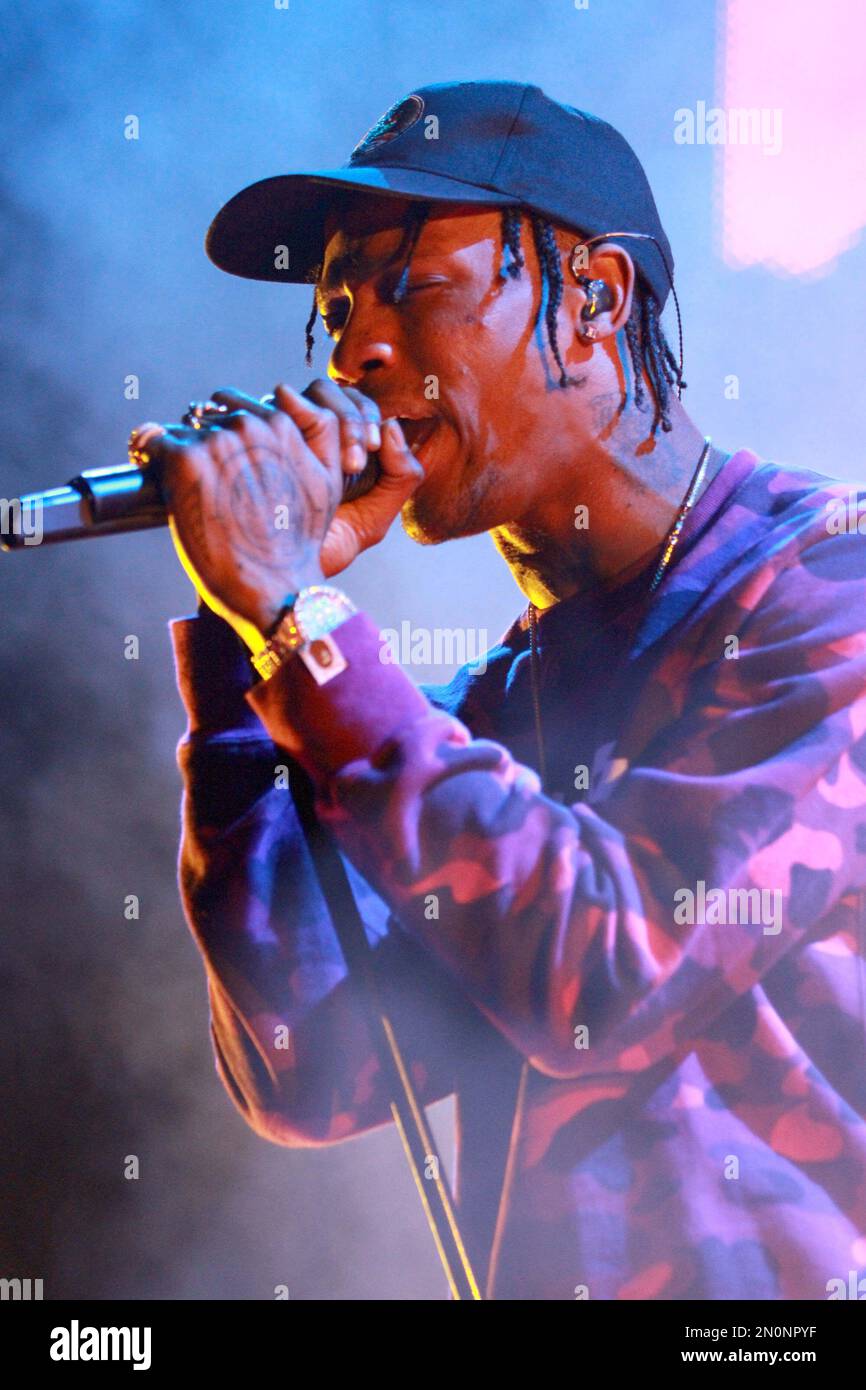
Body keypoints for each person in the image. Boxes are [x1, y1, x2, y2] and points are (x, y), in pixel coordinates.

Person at [133, 81, 866, 1300]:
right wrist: (241, 654)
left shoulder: (826, 583)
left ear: (593, 300)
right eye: (335, 309)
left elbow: (620, 963)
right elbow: (311, 1066)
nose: (356, 349)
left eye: (409, 286)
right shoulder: (491, 708)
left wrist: (297, 624)